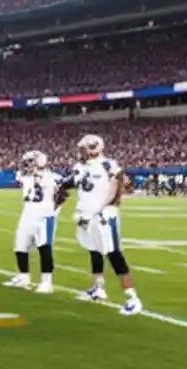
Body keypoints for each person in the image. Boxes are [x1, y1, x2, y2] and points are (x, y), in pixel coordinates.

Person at [60, 134, 143, 316]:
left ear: (93, 148)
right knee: (94, 250)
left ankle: (132, 298)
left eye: (83, 149)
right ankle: (98, 288)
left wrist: (97, 208)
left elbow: (119, 188)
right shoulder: (80, 167)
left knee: (113, 254)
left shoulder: (109, 165)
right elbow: (68, 183)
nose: (80, 153)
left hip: (104, 214)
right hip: (86, 215)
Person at [3, 150, 59, 293]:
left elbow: (62, 193)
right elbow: (20, 178)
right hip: (27, 215)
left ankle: (47, 282)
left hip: (44, 216)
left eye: (30, 162)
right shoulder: (27, 177)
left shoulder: (52, 178)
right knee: (20, 246)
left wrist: (54, 209)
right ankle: (23, 277)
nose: (26, 166)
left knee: (44, 248)